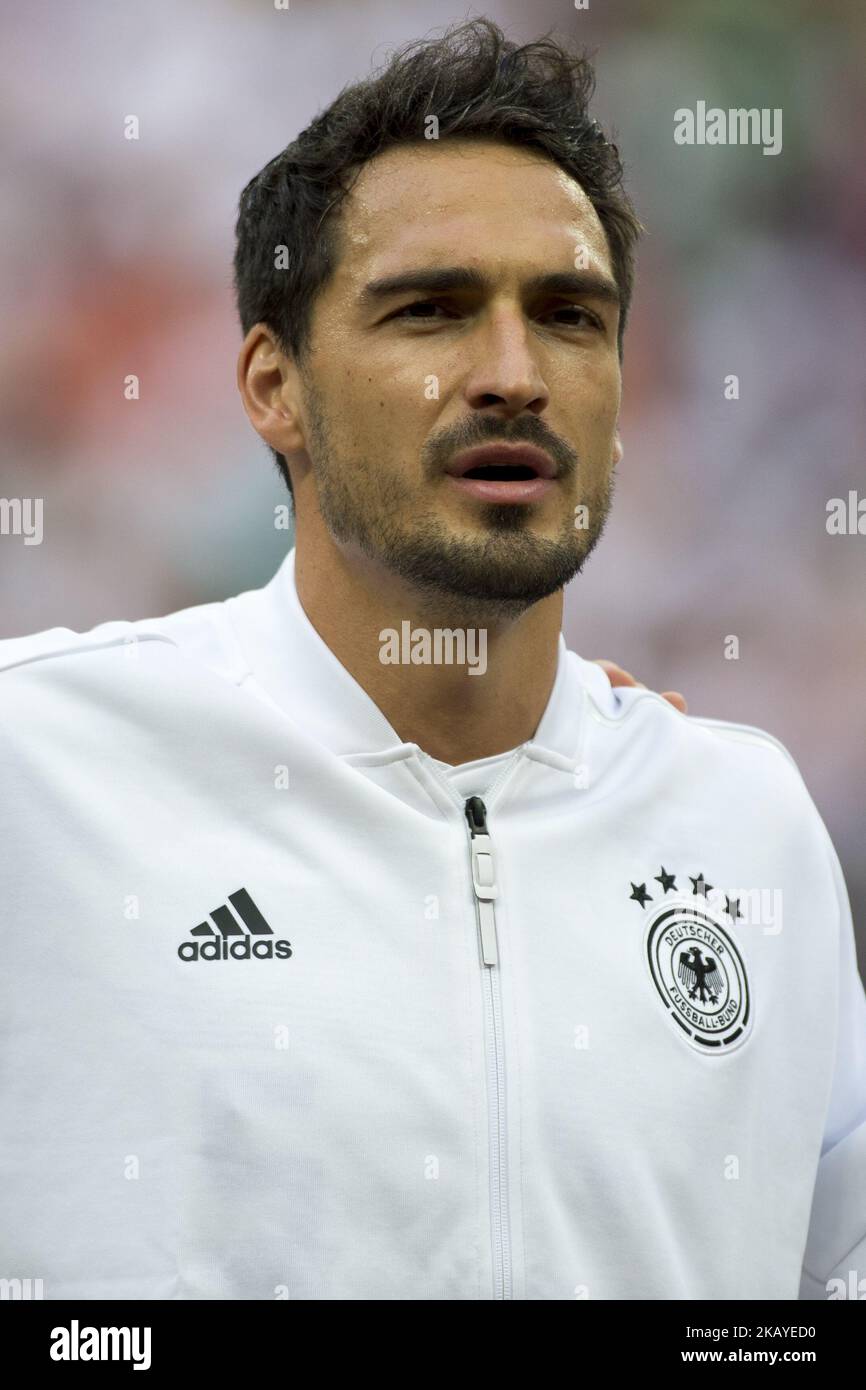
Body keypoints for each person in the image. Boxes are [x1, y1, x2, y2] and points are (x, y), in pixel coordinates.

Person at [1, 18, 863, 1302]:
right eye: (432, 310)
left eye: (569, 316)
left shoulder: (746, 826)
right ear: (271, 385)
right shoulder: (40, 774)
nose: (513, 374)